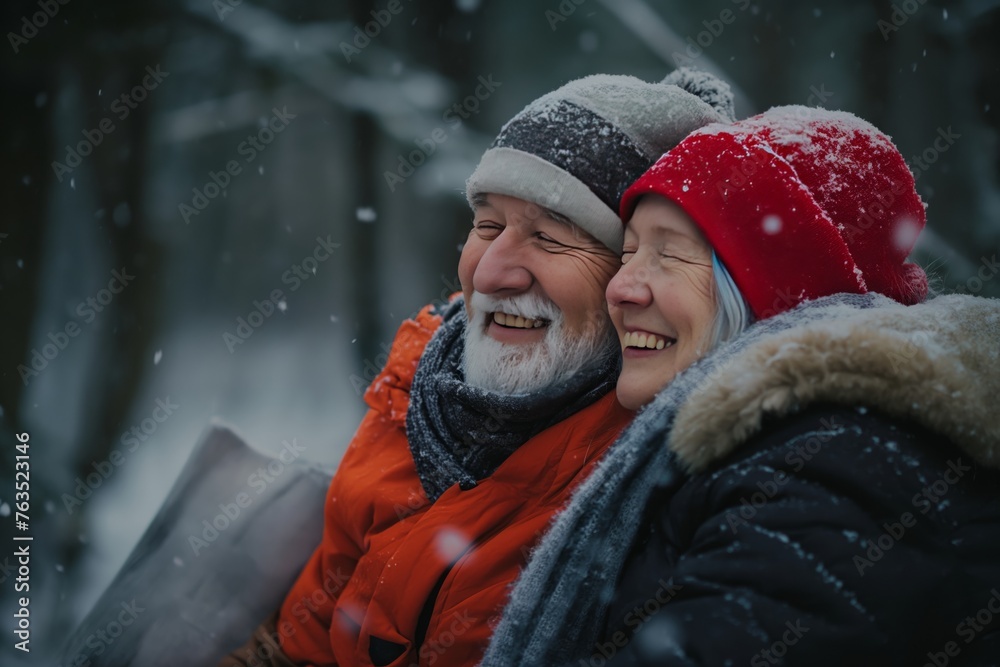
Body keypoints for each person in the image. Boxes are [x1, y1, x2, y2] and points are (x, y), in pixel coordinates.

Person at [218, 69, 736, 667]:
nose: (490, 273)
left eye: (551, 237)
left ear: (635, 278)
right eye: (487, 225)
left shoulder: (649, 488)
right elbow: (303, 638)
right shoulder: (415, 395)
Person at [480, 106, 1000, 666]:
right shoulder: (780, 449)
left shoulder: (830, 468)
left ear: (782, 291)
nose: (621, 288)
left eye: (671, 254)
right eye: (628, 253)